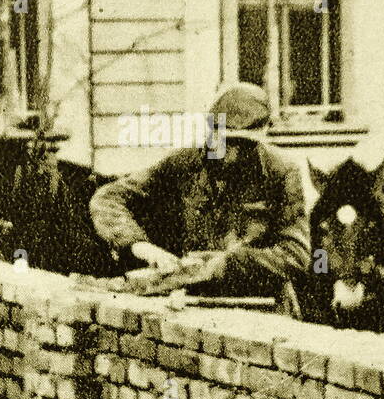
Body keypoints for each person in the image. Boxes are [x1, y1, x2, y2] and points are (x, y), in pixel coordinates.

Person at [89, 82, 310, 311]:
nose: (230, 154)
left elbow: (296, 255)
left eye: (242, 145)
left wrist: (224, 264)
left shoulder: (281, 172)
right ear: (211, 132)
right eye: (223, 141)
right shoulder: (185, 163)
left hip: (264, 305)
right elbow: (109, 197)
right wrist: (138, 244)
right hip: (196, 305)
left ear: (258, 139)